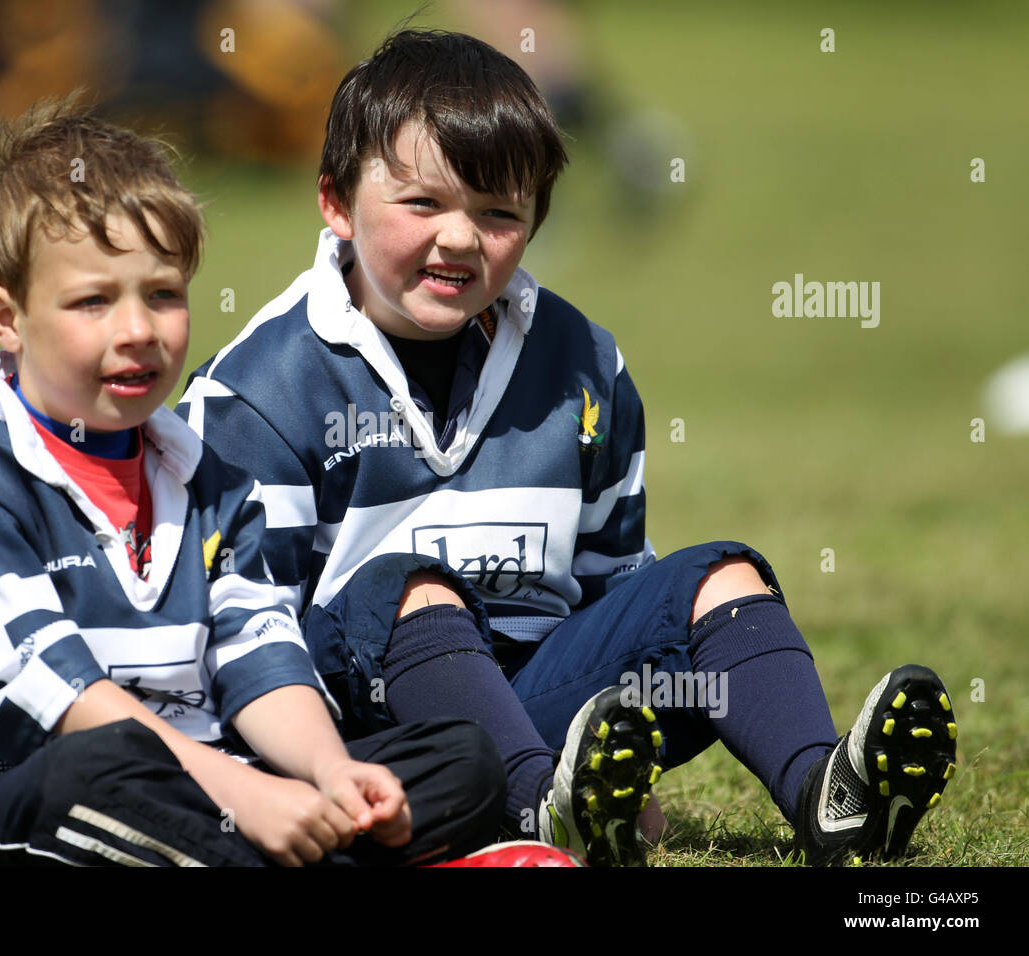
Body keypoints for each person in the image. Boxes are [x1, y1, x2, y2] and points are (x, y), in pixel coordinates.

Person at [177, 29, 959, 866]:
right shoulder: (256, 391)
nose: (460, 239)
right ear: (336, 200)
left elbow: (613, 582)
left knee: (722, 573)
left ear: (537, 222)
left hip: (540, 705)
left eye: (499, 213)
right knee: (408, 588)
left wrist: (610, 745)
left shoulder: (585, 364)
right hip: (366, 733)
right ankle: (536, 810)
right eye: (422, 204)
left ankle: (829, 798)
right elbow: (235, 634)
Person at [0, 94, 507, 868]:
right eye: (93, 301)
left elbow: (260, 658)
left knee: (463, 761)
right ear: (8, 317)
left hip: (204, 784)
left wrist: (329, 773)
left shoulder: (209, 477)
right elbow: (73, 707)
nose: (138, 330)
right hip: (14, 792)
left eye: (163, 294)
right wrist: (248, 799)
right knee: (98, 775)